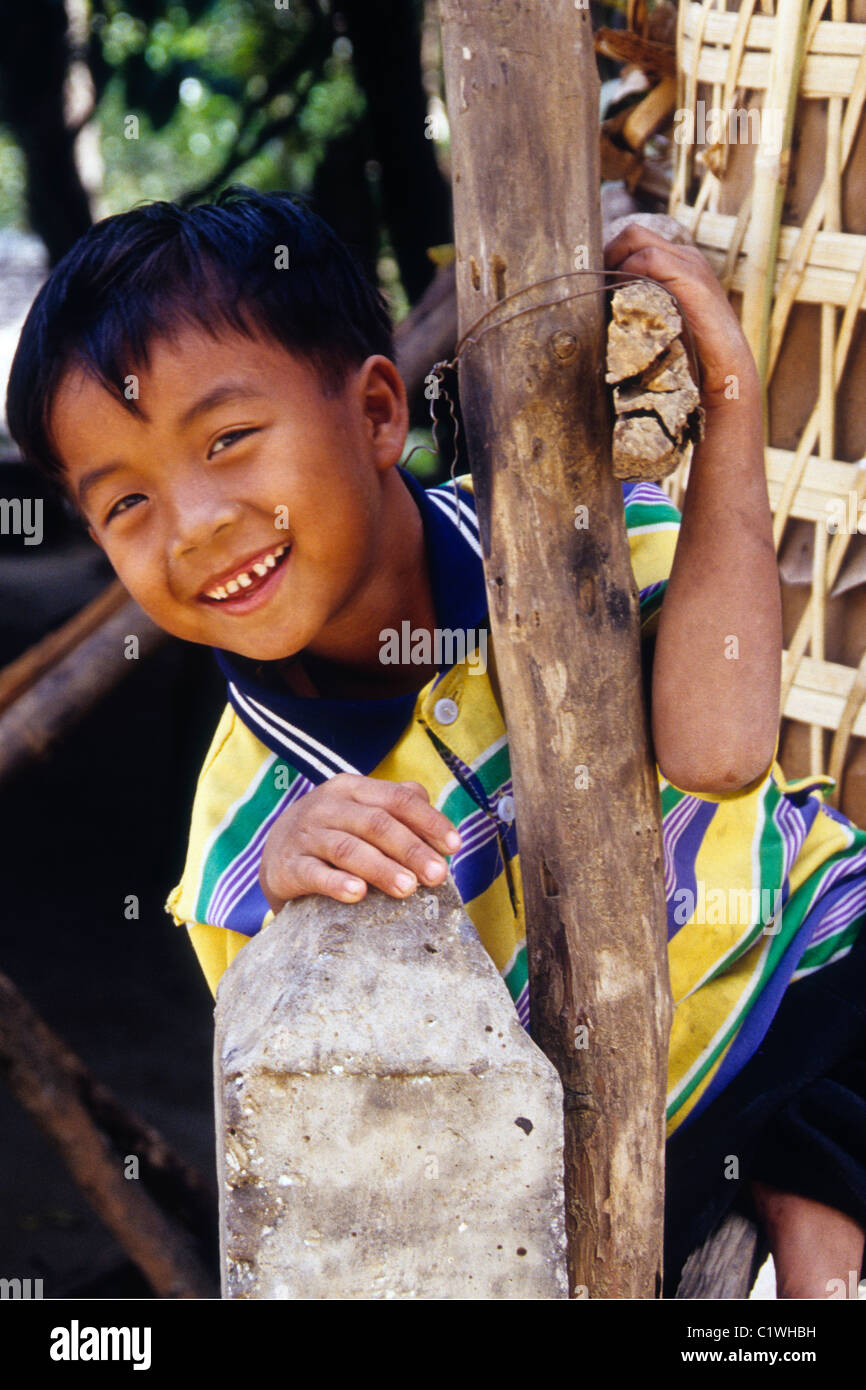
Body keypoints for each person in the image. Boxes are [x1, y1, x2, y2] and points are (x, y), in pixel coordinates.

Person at [7, 185, 866, 1299]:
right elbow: (321, 1119)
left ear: (373, 414)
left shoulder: (585, 549)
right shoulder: (245, 831)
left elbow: (717, 752)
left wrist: (730, 397)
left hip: (820, 986)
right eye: (125, 504)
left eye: (227, 440)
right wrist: (291, 890)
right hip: (613, 1164)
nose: (195, 522)